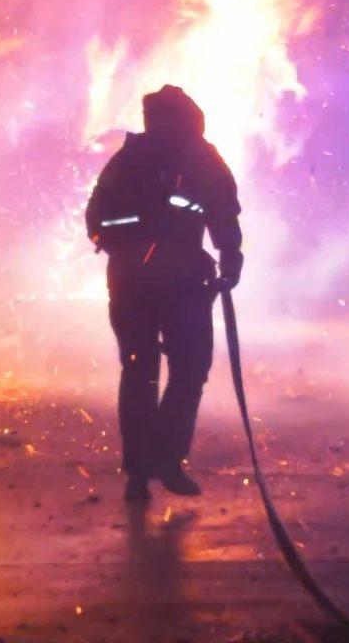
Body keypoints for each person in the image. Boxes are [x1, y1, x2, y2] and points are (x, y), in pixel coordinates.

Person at [85, 85, 243, 506]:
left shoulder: (126, 159)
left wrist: (123, 255)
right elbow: (223, 213)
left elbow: (95, 219)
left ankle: (139, 474)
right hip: (181, 283)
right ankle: (167, 459)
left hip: (128, 282)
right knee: (189, 368)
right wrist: (230, 261)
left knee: (138, 372)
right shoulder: (201, 156)